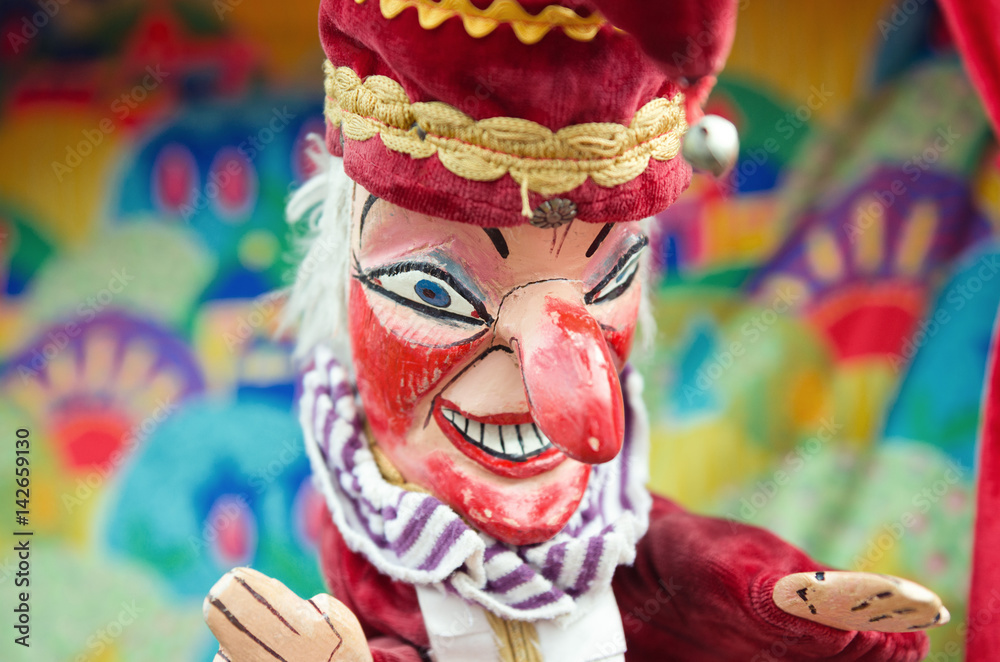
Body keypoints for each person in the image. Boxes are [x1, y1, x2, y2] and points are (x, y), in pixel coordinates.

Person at [203, 1, 949, 660]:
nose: (576, 412)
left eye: (608, 283)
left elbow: (679, 573)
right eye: (433, 290)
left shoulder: (614, 525)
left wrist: (781, 602)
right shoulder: (382, 537)